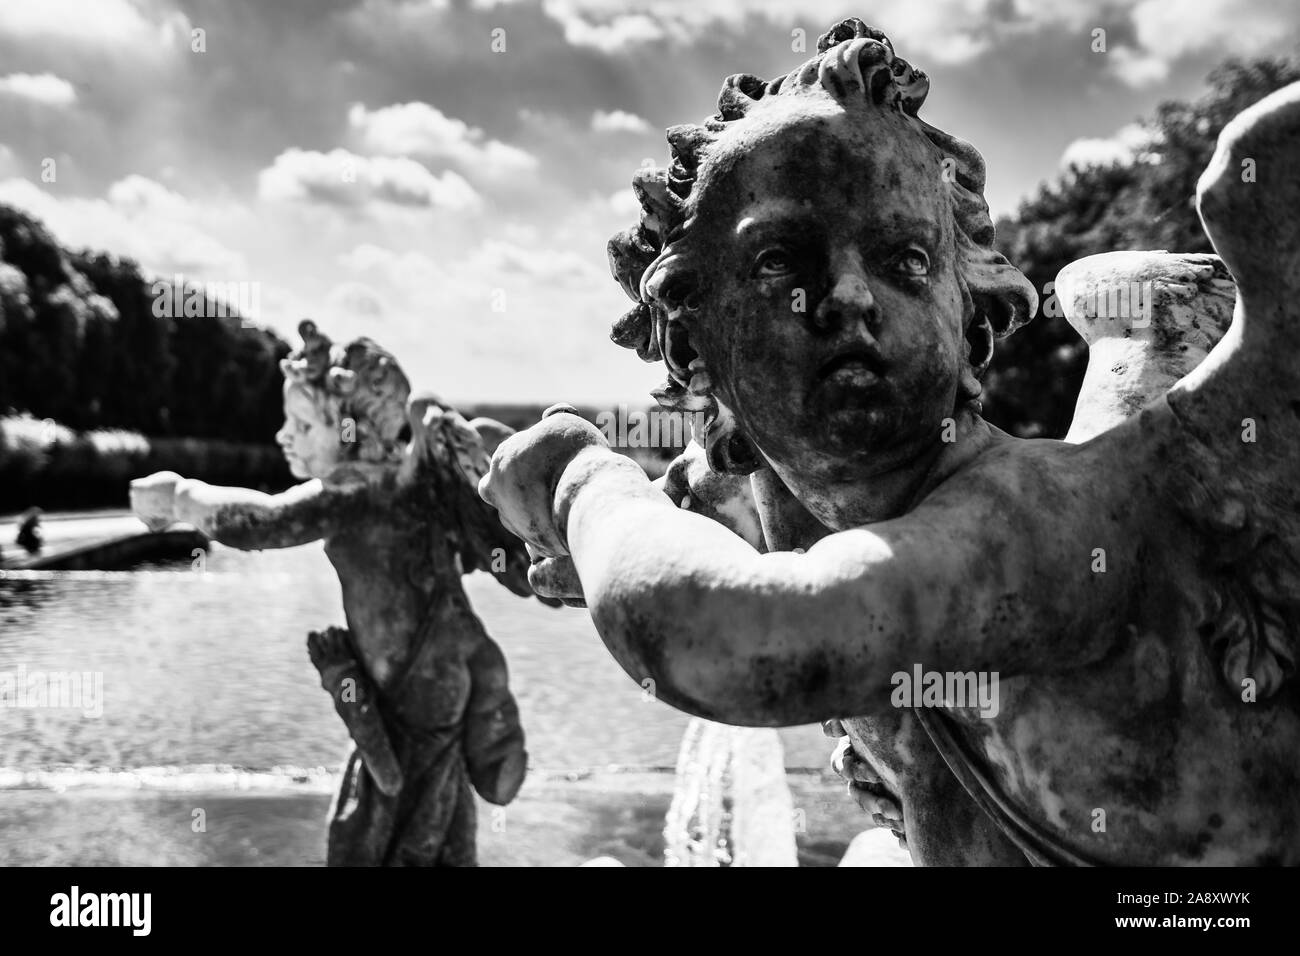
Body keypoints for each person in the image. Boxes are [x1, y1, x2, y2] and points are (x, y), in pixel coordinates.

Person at [479, 19, 1300, 865]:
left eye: (905, 257)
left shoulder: (1039, 522)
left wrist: (581, 477)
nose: (846, 295)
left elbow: (724, 635)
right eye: (778, 261)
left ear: (970, 307)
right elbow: (732, 515)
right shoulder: (842, 532)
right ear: (692, 349)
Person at [132, 320, 550, 865]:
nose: (285, 436)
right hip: (451, 662)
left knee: (377, 817)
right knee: (434, 808)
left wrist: (181, 497)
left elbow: (263, 523)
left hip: (416, 679)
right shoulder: (413, 478)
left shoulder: (353, 490)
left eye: (303, 426)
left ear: (348, 427)